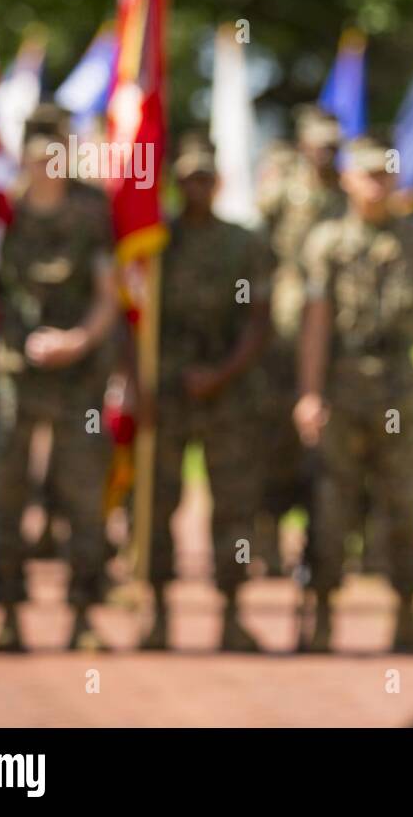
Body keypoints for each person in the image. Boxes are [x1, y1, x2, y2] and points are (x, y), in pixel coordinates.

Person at [294, 137, 413, 653]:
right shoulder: (326, 242)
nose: (376, 185)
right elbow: (315, 321)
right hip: (341, 385)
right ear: (347, 179)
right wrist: (310, 392)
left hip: (398, 388)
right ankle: (321, 617)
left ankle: (406, 616)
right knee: (330, 504)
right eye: (367, 175)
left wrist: (403, 341)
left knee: (404, 501)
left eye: (385, 176)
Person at [0, 126, 120, 651]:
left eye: (54, 158)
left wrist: (78, 341)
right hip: (14, 378)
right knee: (6, 498)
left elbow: (109, 294)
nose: (46, 167)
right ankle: (6, 615)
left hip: (77, 379)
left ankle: (84, 615)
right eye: (37, 159)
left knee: (82, 498)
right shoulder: (0, 214)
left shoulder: (90, 216)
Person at [141, 138, 273, 651]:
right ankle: (156, 609)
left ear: (217, 183)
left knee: (235, 508)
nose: (196, 188)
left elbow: (257, 321)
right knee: (156, 503)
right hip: (168, 392)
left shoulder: (244, 244)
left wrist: (222, 374)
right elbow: (137, 317)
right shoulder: (155, 243)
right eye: (187, 179)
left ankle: (233, 613)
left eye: (205, 179)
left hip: (229, 394)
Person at [255, 109, 345, 577]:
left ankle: (330, 546)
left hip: (331, 337)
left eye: (334, 145)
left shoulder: (346, 195)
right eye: (319, 145)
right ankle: (267, 537)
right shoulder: (282, 187)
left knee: (329, 449)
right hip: (281, 331)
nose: (327, 154)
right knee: (274, 439)